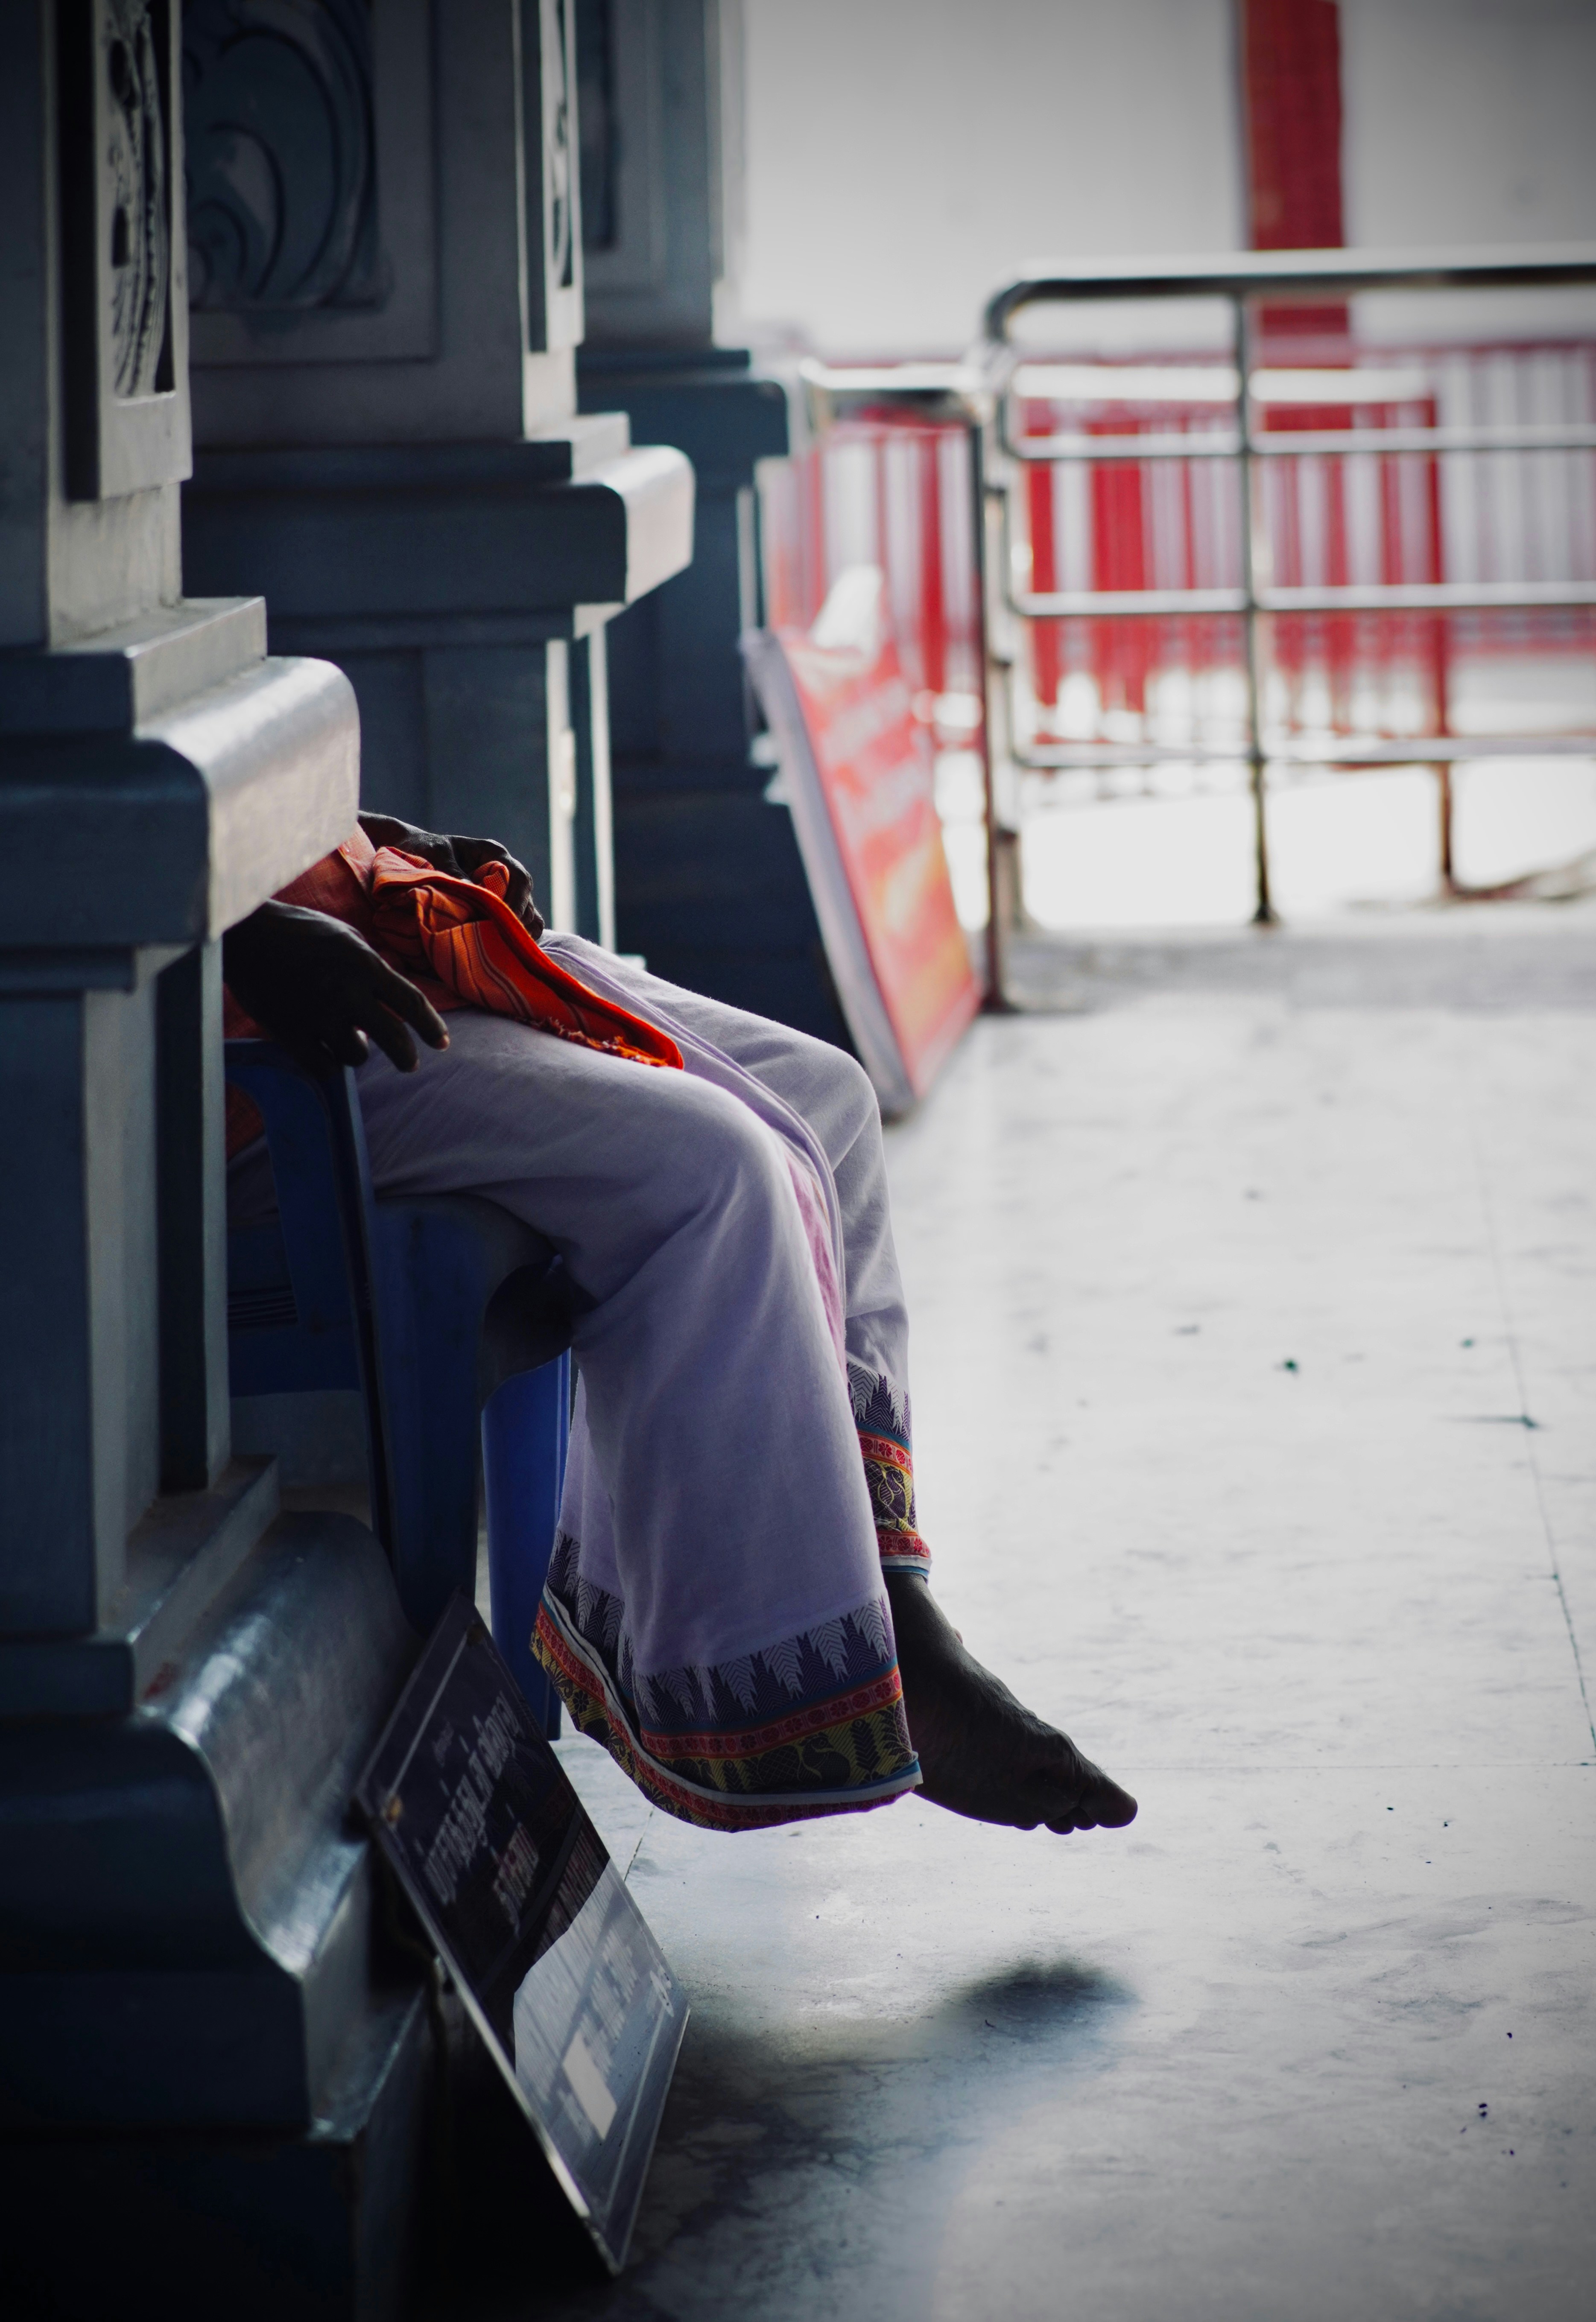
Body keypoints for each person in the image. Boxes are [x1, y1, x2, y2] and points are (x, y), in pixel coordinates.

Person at [224, 812, 1137, 1839]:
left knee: (827, 1103)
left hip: (378, 925)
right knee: (718, 1169)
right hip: (247, 1042)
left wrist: (371, 837)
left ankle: (895, 1601)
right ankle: (772, 1673)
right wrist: (230, 935)